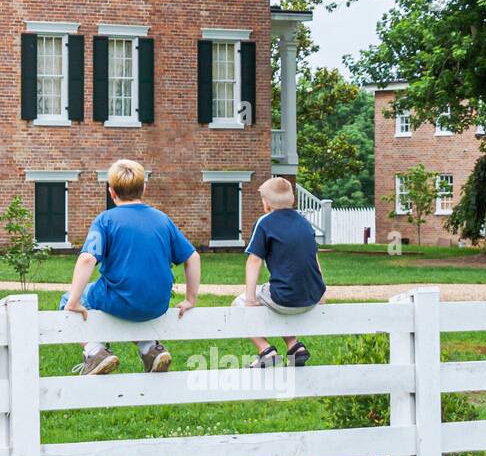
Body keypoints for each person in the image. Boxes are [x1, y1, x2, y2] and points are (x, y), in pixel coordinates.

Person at [63, 159, 201, 375]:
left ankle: (95, 351)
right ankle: (150, 348)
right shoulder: (163, 220)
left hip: (119, 300)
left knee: (67, 299)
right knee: (133, 303)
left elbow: (87, 259)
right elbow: (192, 257)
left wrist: (73, 301)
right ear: (144, 188)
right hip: (157, 304)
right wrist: (191, 299)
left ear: (111, 192)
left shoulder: (106, 220)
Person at [234, 176, 326, 368]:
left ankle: (265, 350)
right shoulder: (304, 222)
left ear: (266, 204)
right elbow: (314, 257)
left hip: (285, 299)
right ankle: (294, 346)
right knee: (278, 294)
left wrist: (250, 299)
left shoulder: (265, 222)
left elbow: (254, 260)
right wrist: (322, 292)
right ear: (292, 200)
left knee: (239, 304)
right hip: (311, 297)